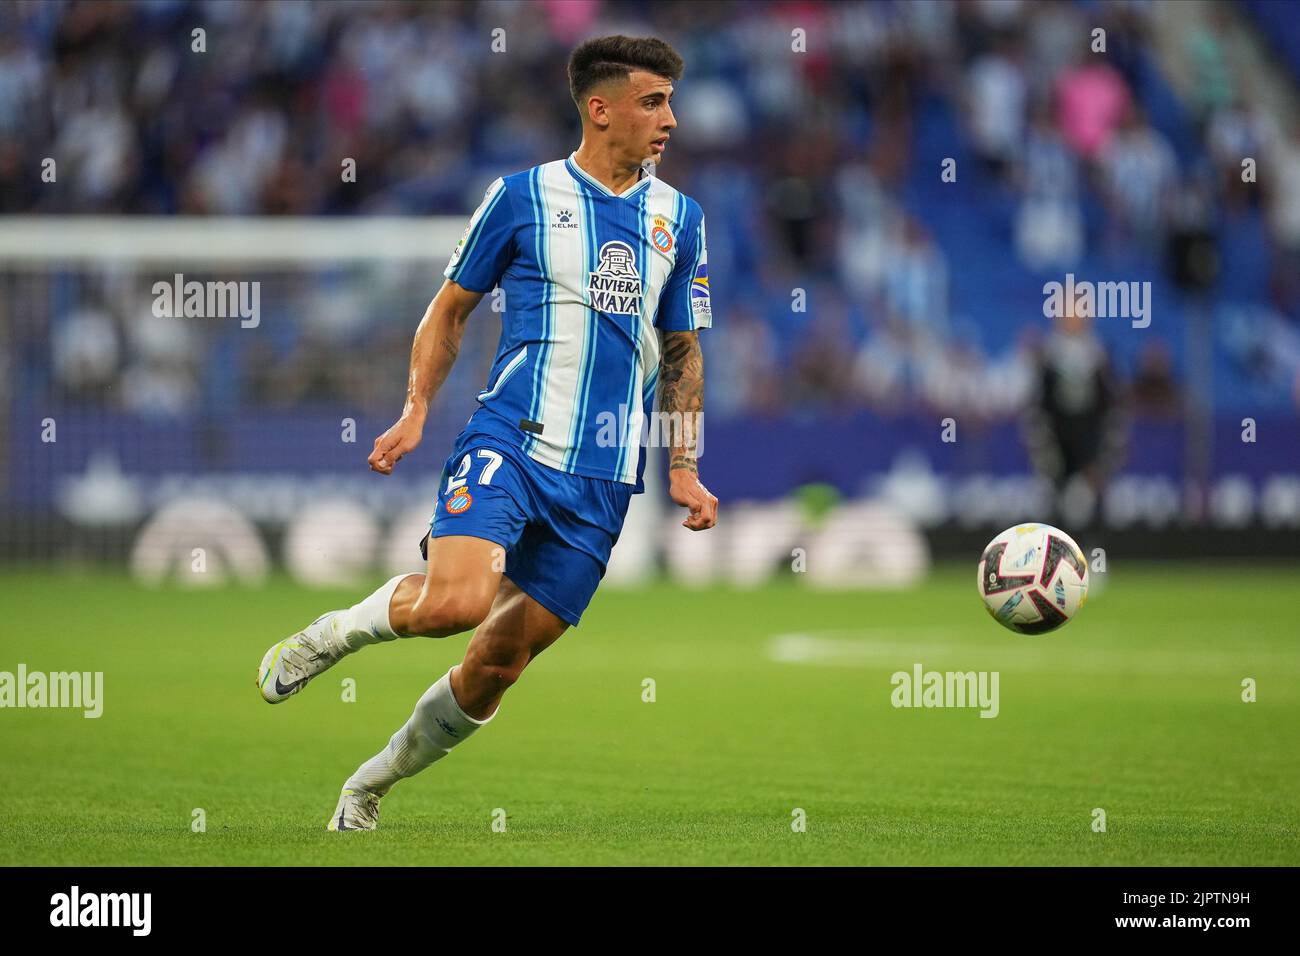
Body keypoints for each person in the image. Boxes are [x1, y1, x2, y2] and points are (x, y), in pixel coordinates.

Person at [255, 35, 718, 831]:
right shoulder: (522, 197)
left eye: (671, 101)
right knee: (456, 604)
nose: (670, 118)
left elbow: (681, 348)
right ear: (599, 109)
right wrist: (415, 409)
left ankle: (367, 787)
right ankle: (334, 634)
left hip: (604, 479)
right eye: (653, 101)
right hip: (512, 438)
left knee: (495, 665)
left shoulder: (682, 216)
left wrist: (683, 462)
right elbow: (450, 310)